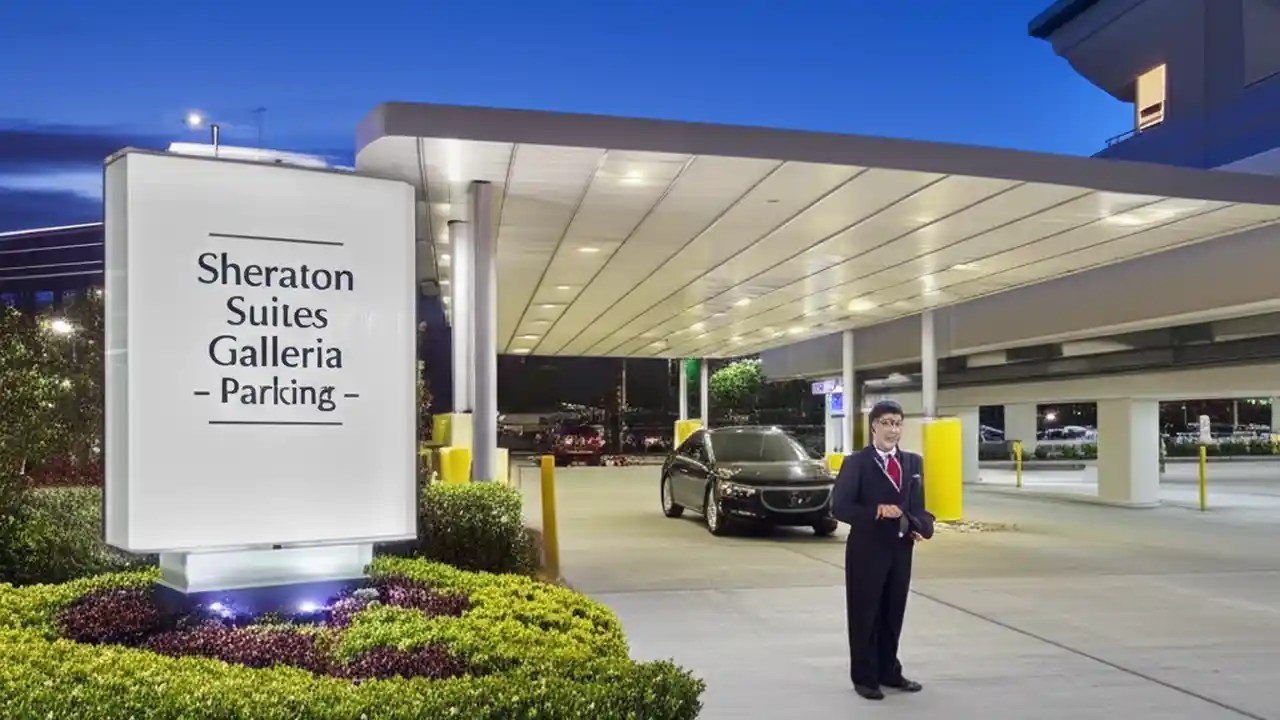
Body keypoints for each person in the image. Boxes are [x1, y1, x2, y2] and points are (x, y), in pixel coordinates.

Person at [831, 399, 935, 701]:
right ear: (874, 425)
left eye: (898, 423)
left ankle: (889, 670)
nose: (893, 429)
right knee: (866, 613)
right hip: (867, 549)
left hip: (901, 550)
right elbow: (840, 507)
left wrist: (921, 524)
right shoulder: (857, 463)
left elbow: (919, 507)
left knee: (893, 612)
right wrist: (877, 511)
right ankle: (865, 677)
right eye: (887, 422)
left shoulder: (913, 463)